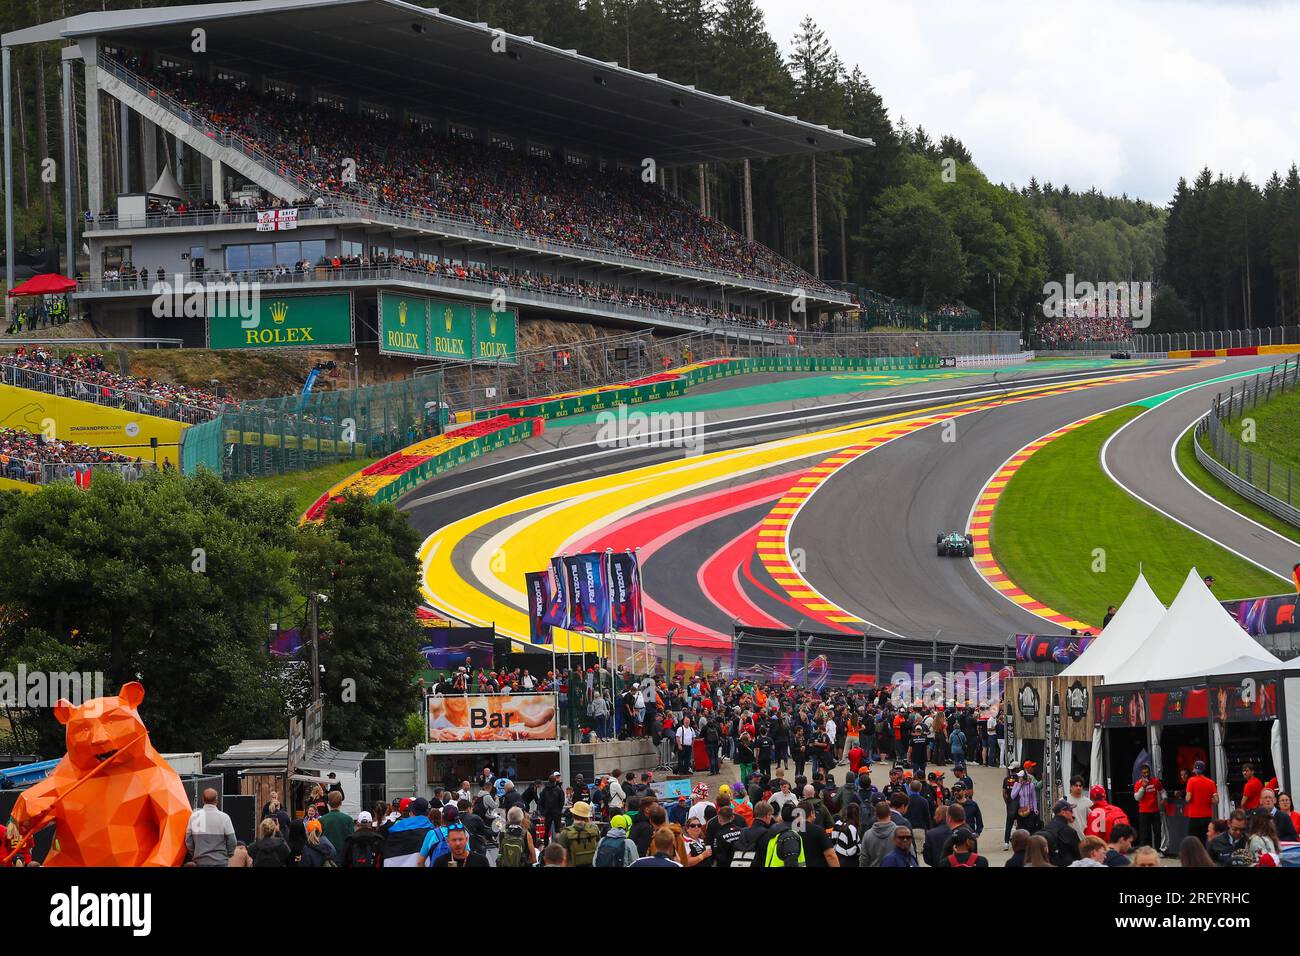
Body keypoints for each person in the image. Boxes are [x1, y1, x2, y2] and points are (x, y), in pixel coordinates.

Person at [185, 788, 236, 867]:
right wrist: (228, 854)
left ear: (203, 800)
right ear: (216, 800)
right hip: (220, 862)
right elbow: (232, 840)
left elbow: (188, 840)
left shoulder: (194, 817)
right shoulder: (224, 817)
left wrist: (195, 853)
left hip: (200, 861)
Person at [556, 801, 601, 867]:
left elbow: (564, 859)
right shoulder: (594, 829)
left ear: (573, 814)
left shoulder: (565, 833)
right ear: (587, 816)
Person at [1184, 761, 1217, 845]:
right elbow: (1216, 800)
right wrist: (1208, 800)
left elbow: (1188, 798)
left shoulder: (1191, 781)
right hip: (1207, 816)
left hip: (1195, 816)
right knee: (1203, 840)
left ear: (1195, 770)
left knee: (1192, 841)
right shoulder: (1211, 782)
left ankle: (1192, 858)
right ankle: (1202, 857)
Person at [1042, 799, 1082, 866]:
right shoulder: (1069, 831)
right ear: (1063, 812)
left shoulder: (1046, 827)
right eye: (1071, 810)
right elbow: (1079, 853)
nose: (1072, 813)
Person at [1133, 763, 1163, 849]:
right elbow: (1137, 798)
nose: (1146, 774)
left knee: (1157, 831)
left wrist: (1164, 798)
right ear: (1141, 773)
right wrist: (1143, 787)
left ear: (1150, 772)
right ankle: (1145, 850)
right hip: (1144, 811)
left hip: (1155, 811)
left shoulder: (1155, 781)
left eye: (1147, 772)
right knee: (1145, 833)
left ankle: (1158, 850)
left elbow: (1162, 791)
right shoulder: (1138, 783)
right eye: (1144, 773)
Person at [319, 790, 355, 856]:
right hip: (343, 857)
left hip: (327, 857)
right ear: (341, 803)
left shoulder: (322, 820)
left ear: (328, 803)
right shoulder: (348, 819)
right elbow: (351, 841)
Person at [833, 801, 861, 867]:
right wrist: (859, 848)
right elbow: (851, 851)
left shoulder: (838, 824)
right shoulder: (852, 828)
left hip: (838, 858)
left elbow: (833, 841)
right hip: (849, 861)